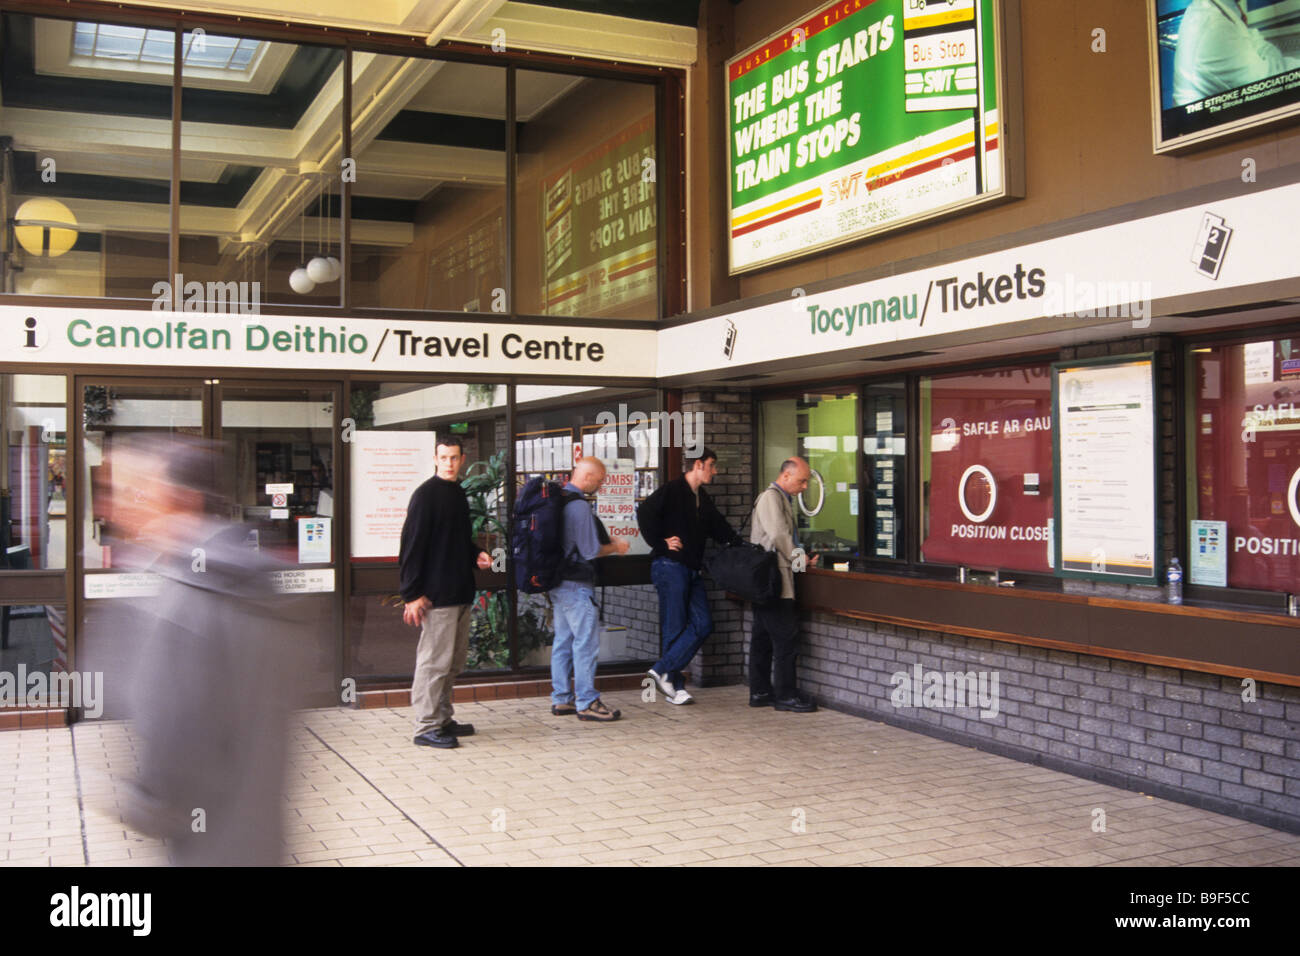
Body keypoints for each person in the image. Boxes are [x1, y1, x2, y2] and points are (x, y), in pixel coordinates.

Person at [117, 432, 307, 865]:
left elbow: (173, 734)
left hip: (206, 842)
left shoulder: (185, 598)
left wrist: (146, 804)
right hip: (262, 834)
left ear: (180, 498)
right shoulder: (265, 583)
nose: (123, 508)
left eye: (136, 492)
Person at [399, 436, 492, 750]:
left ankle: (442, 718)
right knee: (434, 663)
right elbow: (411, 546)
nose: (450, 463)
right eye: (444, 457)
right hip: (436, 595)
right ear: (435, 459)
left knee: (453, 663)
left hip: (460, 589)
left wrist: (475, 554)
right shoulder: (425, 496)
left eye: (454, 457)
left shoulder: (457, 493)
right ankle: (425, 727)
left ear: (462, 459)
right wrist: (412, 594)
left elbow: (454, 540)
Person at [636, 447, 741, 705]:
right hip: (670, 567)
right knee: (674, 626)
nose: (715, 471)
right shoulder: (672, 490)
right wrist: (661, 543)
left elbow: (720, 528)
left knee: (703, 623)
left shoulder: (701, 497)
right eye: (712, 465)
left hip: (691, 570)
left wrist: (745, 547)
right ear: (698, 464)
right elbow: (644, 512)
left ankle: (661, 671)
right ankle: (674, 685)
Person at [551, 456, 630, 721]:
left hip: (559, 583)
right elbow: (590, 551)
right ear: (587, 477)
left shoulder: (559, 498)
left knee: (563, 641)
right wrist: (616, 547)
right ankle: (586, 701)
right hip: (577, 586)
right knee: (585, 644)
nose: (602, 483)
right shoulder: (579, 507)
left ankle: (562, 699)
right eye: (600, 479)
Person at [749, 456, 819, 713]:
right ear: (785, 476)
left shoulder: (780, 498)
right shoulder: (771, 498)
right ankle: (785, 695)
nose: (804, 487)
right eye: (801, 481)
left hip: (768, 582)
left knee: (763, 638)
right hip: (774, 582)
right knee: (785, 639)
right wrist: (802, 560)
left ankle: (760, 691)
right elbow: (780, 534)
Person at [1172, 0, 1300, 106]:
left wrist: (1271, 59)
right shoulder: (1213, 27)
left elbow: (1254, 39)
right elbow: (1273, 82)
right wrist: (1273, 60)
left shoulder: (1222, 8)